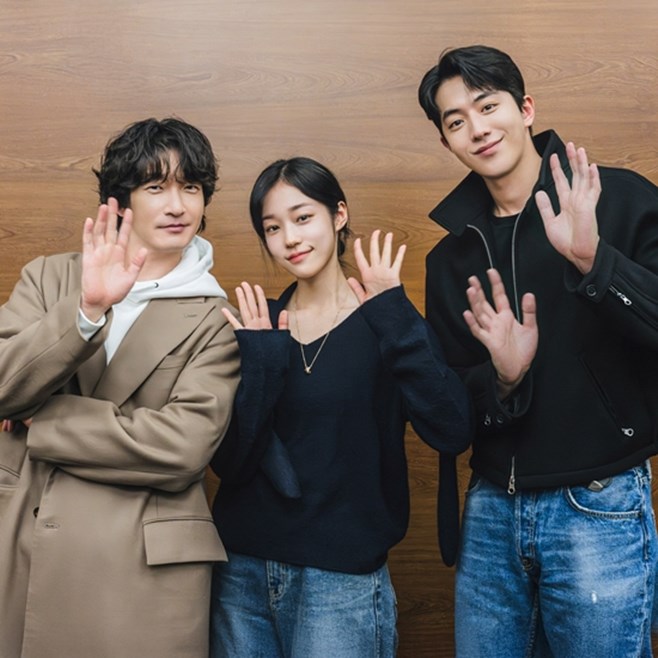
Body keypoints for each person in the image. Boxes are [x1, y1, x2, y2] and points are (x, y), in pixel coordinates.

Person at [417, 44, 658, 657]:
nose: (477, 129)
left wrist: (595, 262)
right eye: (456, 122)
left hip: (598, 502)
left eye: (487, 106)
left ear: (525, 108)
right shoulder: (449, 259)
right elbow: (451, 407)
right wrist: (503, 378)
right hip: (491, 509)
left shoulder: (616, 198)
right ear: (446, 142)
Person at [208, 156, 472, 657]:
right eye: (272, 227)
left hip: (340, 582)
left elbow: (452, 429)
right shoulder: (260, 324)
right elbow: (231, 464)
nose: (290, 238)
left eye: (303, 217)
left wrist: (393, 312)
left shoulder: (386, 320)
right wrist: (261, 361)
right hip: (242, 572)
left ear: (339, 215)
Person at [0, 117, 240, 657]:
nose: (177, 205)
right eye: (156, 187)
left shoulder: (216, 317)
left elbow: (182, 447)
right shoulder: (50, 278)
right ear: (121, 198)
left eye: (191, 187)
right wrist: (86, 312)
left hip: (138, 575)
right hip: (23, 546)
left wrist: (47, 419)